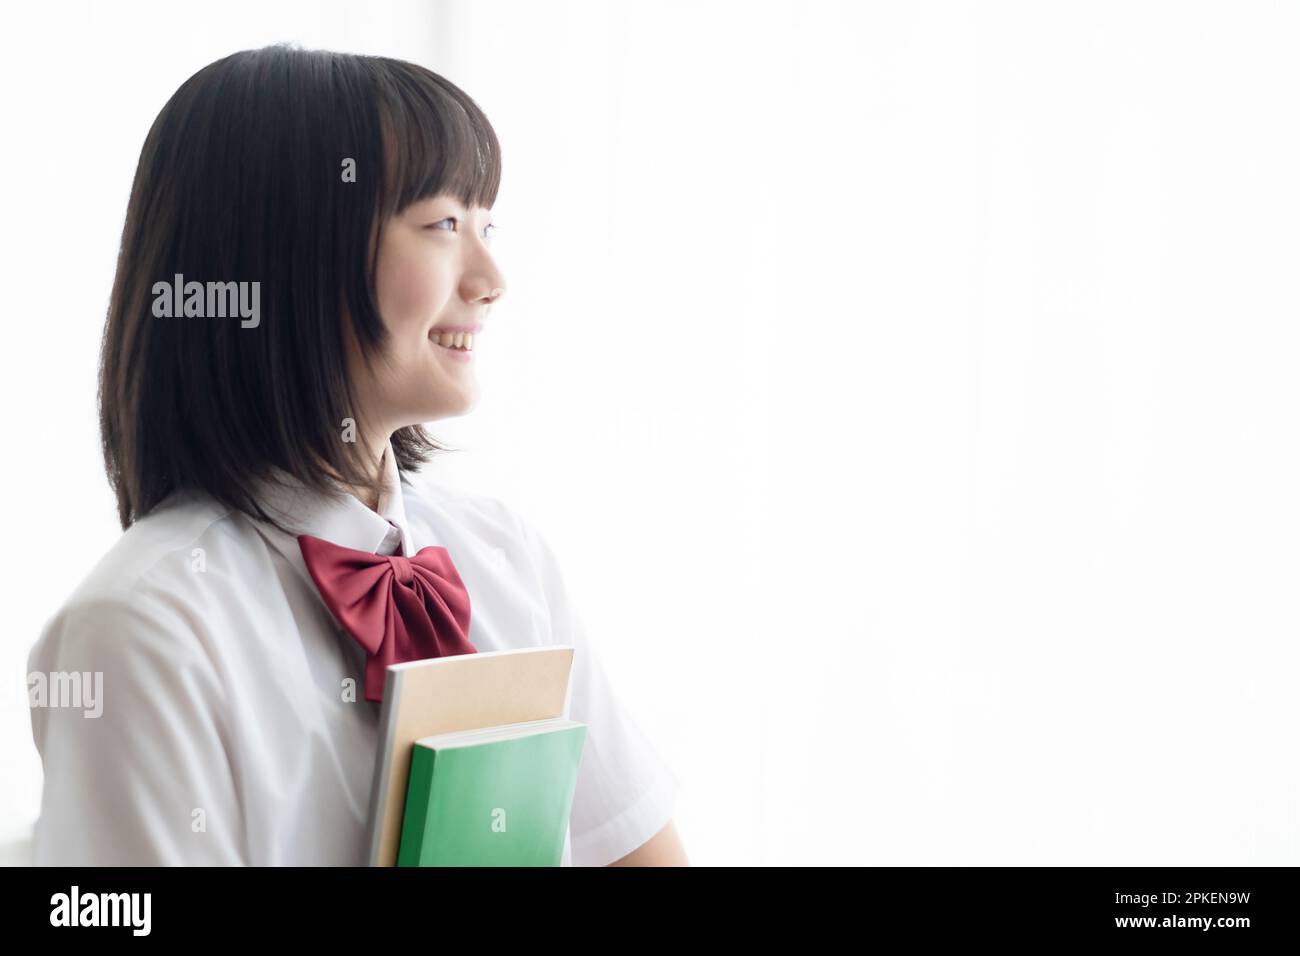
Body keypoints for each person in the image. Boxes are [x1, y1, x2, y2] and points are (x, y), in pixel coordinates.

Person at [26, 44, 687, 867]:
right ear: (292, 253)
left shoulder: (504, 559)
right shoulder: (147, 625)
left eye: (488, 226)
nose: (490, 277)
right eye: (444, 224)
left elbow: (638, 853)